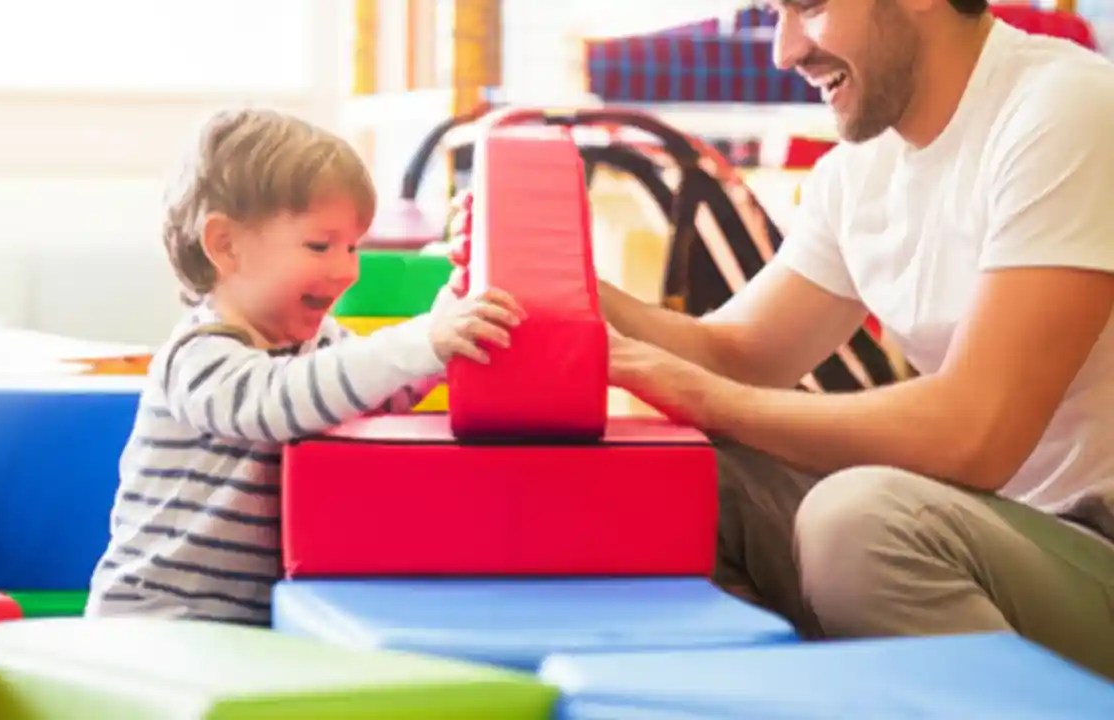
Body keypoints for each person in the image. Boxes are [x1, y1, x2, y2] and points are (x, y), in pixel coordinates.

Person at [603, 0, 1114, 679]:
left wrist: (706, 398)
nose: (785, 51)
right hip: (992, 533)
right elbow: (739, 354)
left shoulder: (1067, 109)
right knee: (698, 479)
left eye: (809, 7)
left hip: (1091, 548)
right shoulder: (859, 171)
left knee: (857, 525)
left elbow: (976, 433)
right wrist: (569, 290)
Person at [84, 108, 524, 626]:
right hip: (159, 620)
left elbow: (377, 391)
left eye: (354, 246)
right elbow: (278, 402)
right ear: (226, 245)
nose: (347, 269)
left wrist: (452, 317)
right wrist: (422, 341)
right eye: (320, 245)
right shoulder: (198, 356)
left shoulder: (317, 345)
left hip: (256, 623)